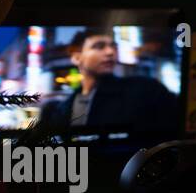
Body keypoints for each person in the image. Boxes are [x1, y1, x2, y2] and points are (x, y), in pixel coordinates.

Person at [38, 29, 178, 136]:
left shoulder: (146, 90)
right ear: (76, 57)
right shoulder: (59, 110)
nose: (110, 52)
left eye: (113, 46)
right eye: (99, 46)